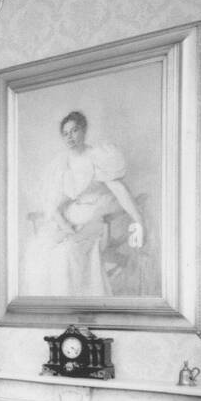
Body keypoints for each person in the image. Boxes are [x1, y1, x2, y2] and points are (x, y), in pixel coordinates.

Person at [34, 110, 145, 297]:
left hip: (99, 217)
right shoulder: (62, 162)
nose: (70, 137)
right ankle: (64, 303)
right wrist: (66, 227)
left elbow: (120, 191)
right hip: (74, 217)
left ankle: (83, 299)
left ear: (83, 131)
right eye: (66, 133)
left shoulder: (97, 157)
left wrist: (138, 220)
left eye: (74, 130)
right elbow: (54, 203)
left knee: (68, 252)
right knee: (46, 251)